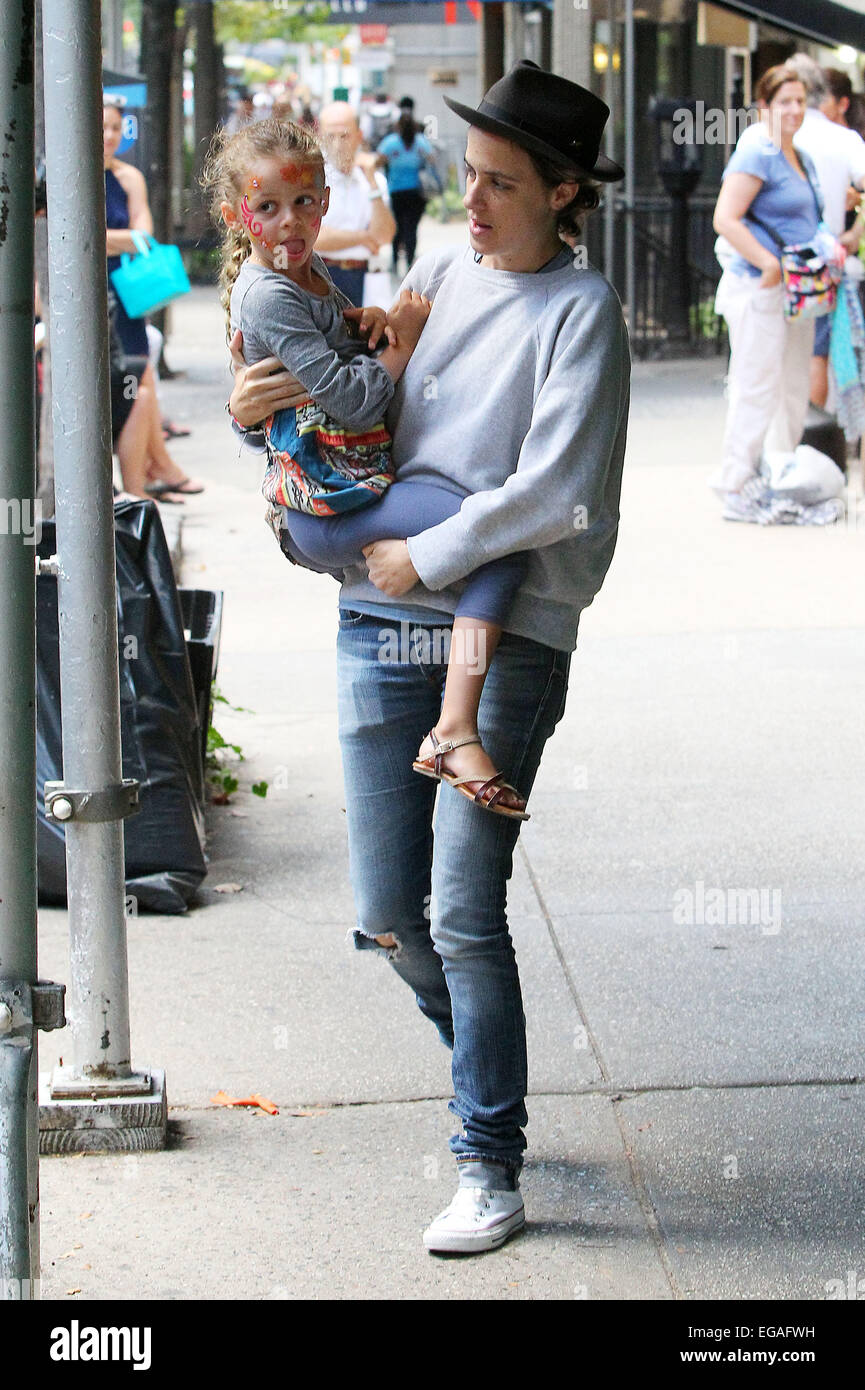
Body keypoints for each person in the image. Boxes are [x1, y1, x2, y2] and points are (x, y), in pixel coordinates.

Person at [228, 60, 630, 1254]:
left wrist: (423, 555)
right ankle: (486, 1077)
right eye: (469, 175)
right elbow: (372, 413)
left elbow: (554, 494)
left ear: (564, 194)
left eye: (502, 184)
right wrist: (272, 422)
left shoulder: (582, 314)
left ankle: (486, 1158)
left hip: (503, 631)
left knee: (462, 910)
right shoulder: (444, 268)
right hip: (376, 617)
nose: (472, 202)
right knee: (390, 913)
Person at [207, 117, 531, 814]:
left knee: (487, 529)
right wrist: (402, 342)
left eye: (302, 203)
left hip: (346, 489)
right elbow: (352, 403)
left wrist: (370, 321)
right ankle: (454, 732)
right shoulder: (270, 292)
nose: (288, 223)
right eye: (266, 208)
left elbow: (332, 363)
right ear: (240, 216)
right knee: (500, 543)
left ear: (325, 200)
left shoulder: (306, 272)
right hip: (328, 507)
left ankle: (452, 730)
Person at [712, 66, 824, 509]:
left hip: (797, 292)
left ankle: (781, 473)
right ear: (764, 107)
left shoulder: (801, 156)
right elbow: (726, 217)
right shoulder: (757, 150)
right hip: (760, 286)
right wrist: (768, 265)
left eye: (801, 101)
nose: (795, 109)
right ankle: (734, 483)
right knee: (755, 385)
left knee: (792, 385)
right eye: (785, 102)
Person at [103, 98, 204, 500]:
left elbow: (143, 236)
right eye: (102, 127)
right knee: (132, 383)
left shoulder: (129, 178)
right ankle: (154, 469)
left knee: (141, 376)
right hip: (94, 292)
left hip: (125, 291)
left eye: (115, 128)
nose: (109, 136)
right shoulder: (70, 175)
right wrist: (122, 239)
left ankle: (153, 468)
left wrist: (110, 239)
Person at [783, 55, 865, 407]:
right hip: (822, 266)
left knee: (787, 360)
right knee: (817, 355)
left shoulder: (778, 135)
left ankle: (799, 442)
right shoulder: (844, 139)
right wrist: (855, 233)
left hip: (779, 263)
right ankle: (814, 440)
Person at [314, 101, 396, 304]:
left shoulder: (373, 180)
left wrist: (371, 182)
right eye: (329, 136)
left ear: (359, 136)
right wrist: (363, 238)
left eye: (344, 135)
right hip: (319, 275)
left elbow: (384, 235)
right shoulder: (311, 179)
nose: (337, 144)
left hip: (364, 277)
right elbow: (313, 237)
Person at [377, 111, 436, 272]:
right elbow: (432, 158)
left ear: (398, 126)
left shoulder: (391, 143)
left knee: (397, 227)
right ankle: (410, 261)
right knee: (412, 228)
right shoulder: (420, 142)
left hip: (396, 192)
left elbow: (378, 160)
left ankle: (395, 262)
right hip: (415, 192)